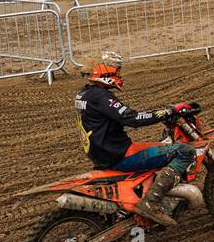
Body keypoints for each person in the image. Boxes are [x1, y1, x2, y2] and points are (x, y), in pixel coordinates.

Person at [74, 52, 193, 228]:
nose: (120, 75)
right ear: (106, 72)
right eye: (117, 70)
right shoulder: (101, 96)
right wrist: (168, 111)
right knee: (185, 151)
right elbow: (133, 119)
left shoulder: (84, 94)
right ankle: (151, 203)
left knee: (158, 149)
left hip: (100, 155)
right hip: (119, 155)